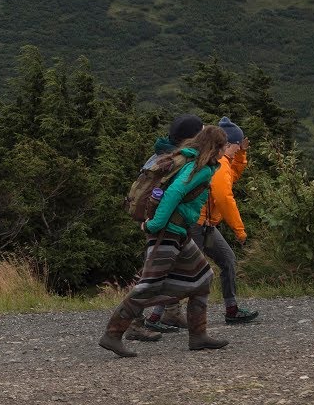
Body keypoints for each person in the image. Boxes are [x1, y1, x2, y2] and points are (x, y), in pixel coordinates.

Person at [99, 124, 230, 357]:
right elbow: (174, 193)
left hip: (178, 232)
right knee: (148, 286)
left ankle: (198, 335)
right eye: (224, 146)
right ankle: (112, 334)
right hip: (167, 232)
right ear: (216, 148)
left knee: (204, 277)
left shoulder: (192, 160)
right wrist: (155, 225)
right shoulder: (200, 169)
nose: (226, 150)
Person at [124, 113, 203, 342]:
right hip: (164, 223)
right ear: (191, 137)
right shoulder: (179, 160)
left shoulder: (161, 154)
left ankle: (171, 312)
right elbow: (174, 194)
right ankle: (131, 324)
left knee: (172, 266)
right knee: (150, 275)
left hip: (160, 220)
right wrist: (158, 223)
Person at [195, 116, 260, 324]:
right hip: (196, 225)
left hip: (206, 226)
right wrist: (239, 230)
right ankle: (157, 314)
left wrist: (241, 155)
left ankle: (232, 309)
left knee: (227, 260)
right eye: (237, 145)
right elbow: (224, 198)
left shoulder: (224, 162)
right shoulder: (220, 164)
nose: (238, 148)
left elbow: (232, 176)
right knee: (184, 270)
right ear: (227, 144)